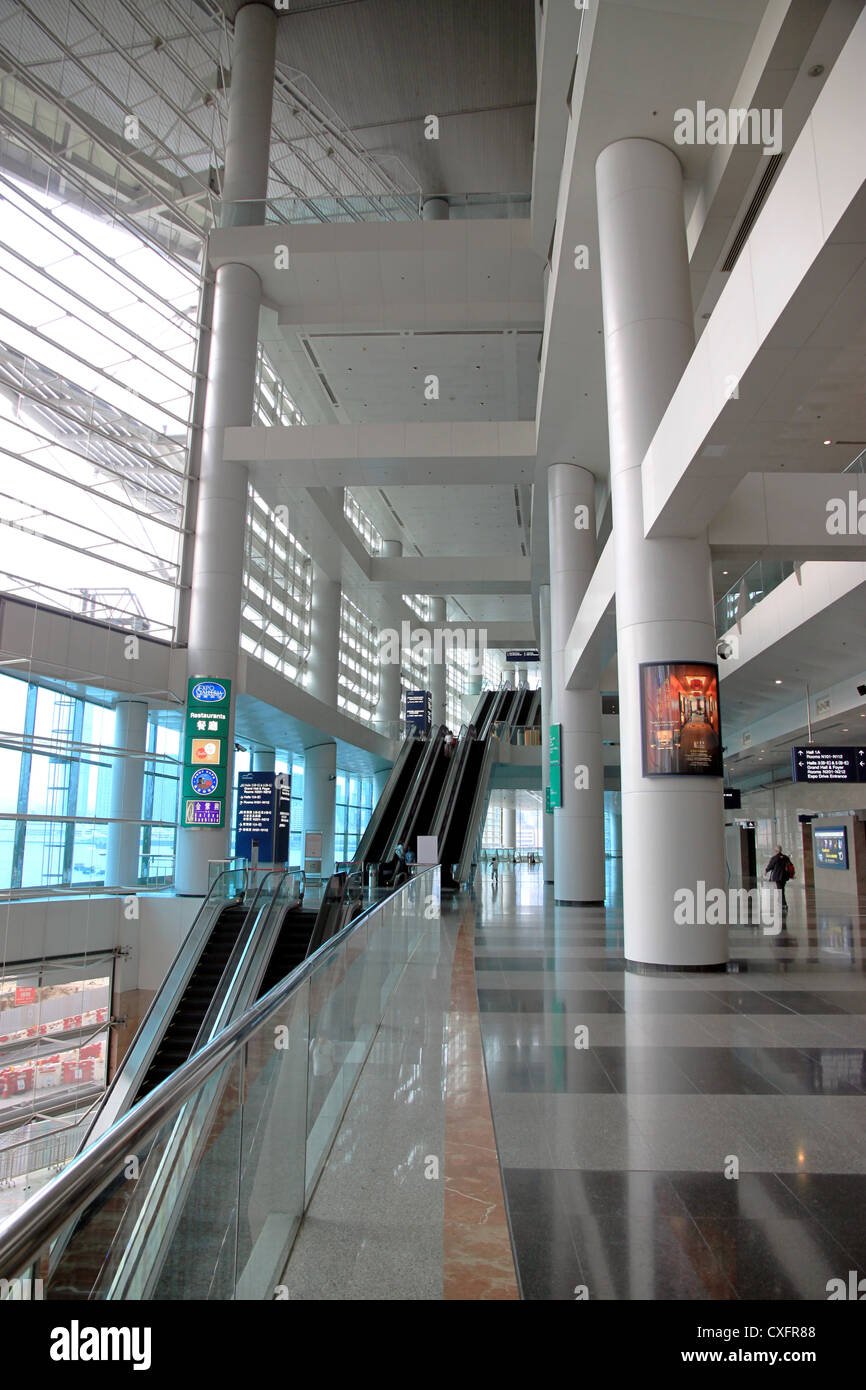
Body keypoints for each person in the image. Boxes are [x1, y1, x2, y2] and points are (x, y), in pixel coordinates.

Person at [765, 845, 794, 912]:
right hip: (784, 877)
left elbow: (770, 866)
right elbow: (790, 865)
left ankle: (783, 904)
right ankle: (781, 902)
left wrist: (766, 871)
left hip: (778, 877)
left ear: (776, 851)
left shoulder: (775, 858)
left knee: (780, 890)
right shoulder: (786, 858)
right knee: (782, 889)